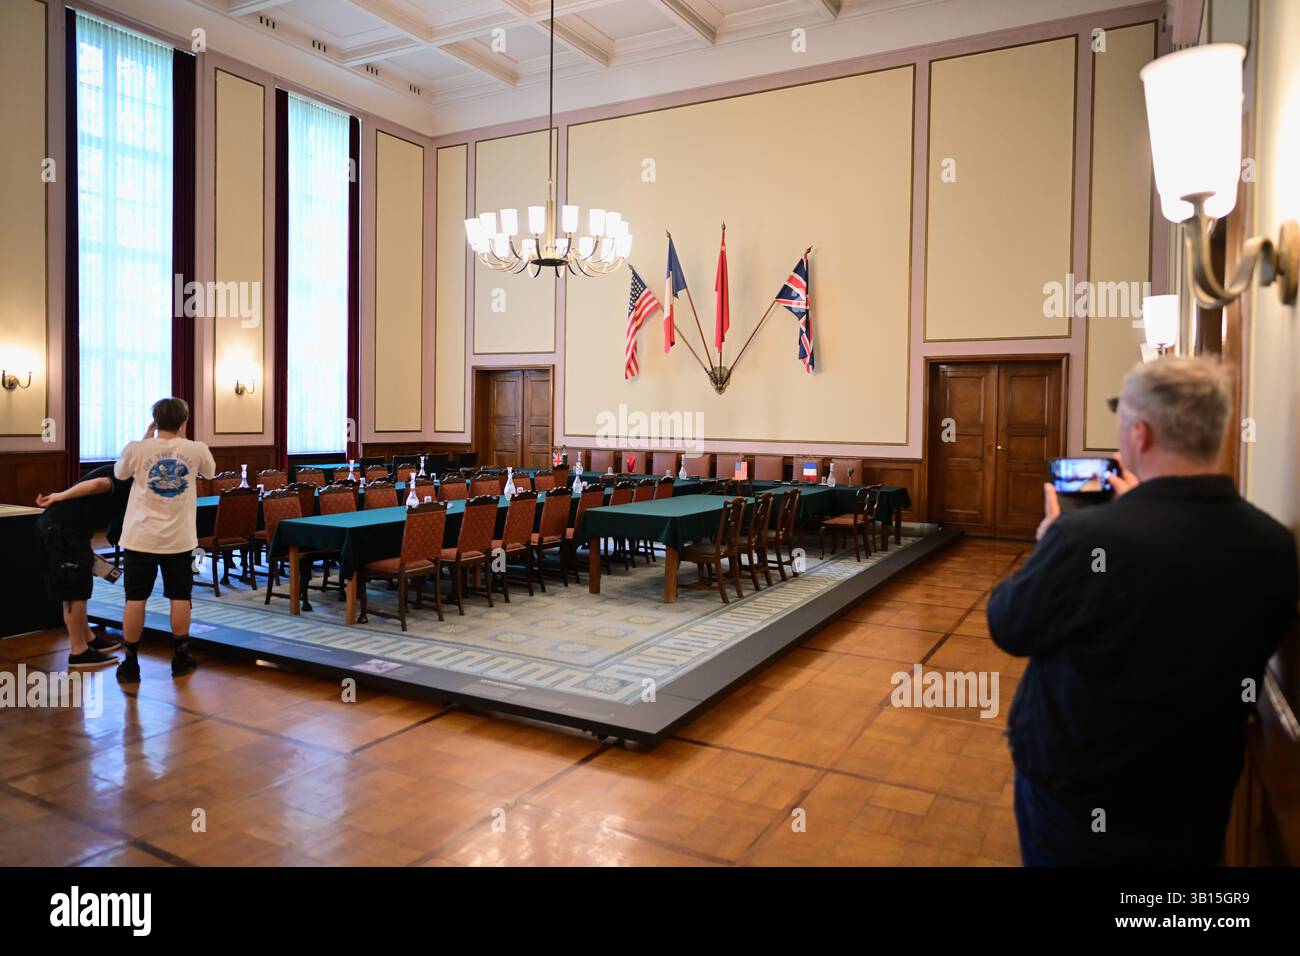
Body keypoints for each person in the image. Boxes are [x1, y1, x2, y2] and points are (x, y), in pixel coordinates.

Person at [988, 357, 1297, 866]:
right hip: (1197, 794)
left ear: (1140, 433)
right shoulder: (1272, 543)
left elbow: (1008, 624)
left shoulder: (1084, 538)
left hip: (1081, 798)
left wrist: (1050, 544)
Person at [113, 398, 216, 684]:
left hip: (139, 537)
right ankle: (180, 657)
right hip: (180, 540)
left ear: (155, 421)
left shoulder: (137, 448)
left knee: (134, 598)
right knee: (181, 597)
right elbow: (210, 473)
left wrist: (146, 438)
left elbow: (119, 473)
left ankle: (130, 662)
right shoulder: (196, 449)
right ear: (184, 421)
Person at [35, 465, 133, 668]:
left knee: (81, 581)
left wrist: (86, 551)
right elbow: (98, 484)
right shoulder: (129, 474)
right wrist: (59, 496)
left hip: (71, 529)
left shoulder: (126, 466)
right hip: (62, 528)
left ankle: (88, 638)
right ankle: (78, 651)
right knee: (74, 589)